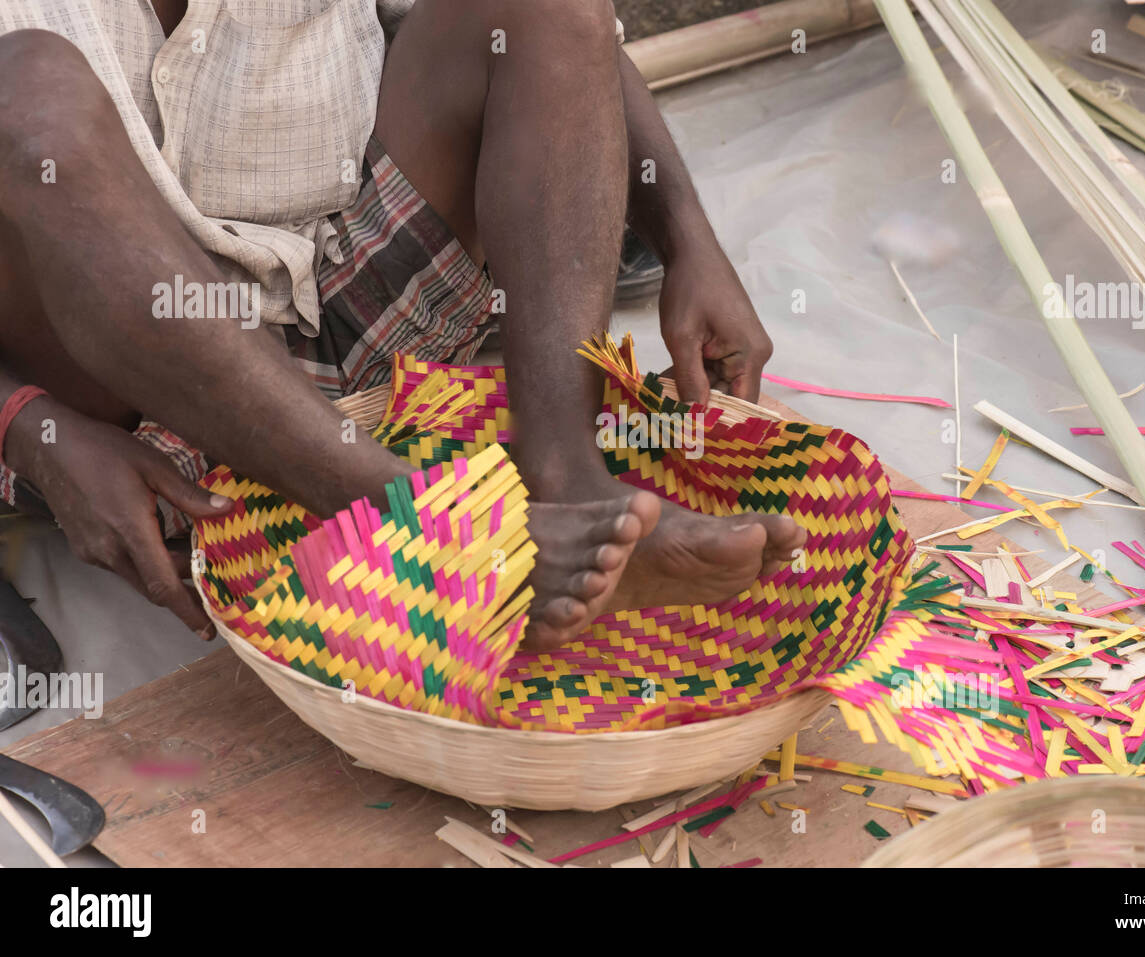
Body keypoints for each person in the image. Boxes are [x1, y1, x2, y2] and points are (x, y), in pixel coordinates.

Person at [0, 0, 806, 649]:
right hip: (130, 403)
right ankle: (443, 536)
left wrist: (686, 232)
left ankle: (566, 480)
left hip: (357, 302)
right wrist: (25, 426)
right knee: (30, 85)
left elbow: (559, 30)